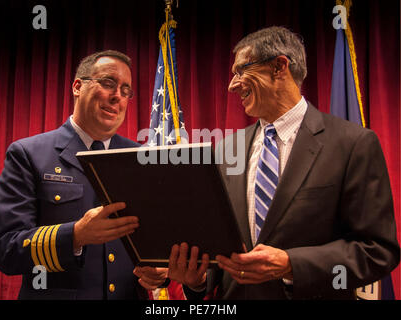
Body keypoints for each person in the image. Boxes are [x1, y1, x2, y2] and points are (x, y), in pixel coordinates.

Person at [167, 26, 400, 299]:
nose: (231, 85)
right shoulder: (224, 150)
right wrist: (198, 279)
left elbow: (377, 251)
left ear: (279, 66)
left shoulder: (353, 144)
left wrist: (292, 265)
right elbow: (221, 253)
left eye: (241, 71)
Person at [0, 50, 164, 299]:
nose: (118, 97)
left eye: (126, 91)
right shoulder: (27, 154)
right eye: (108, 83)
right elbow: (6, 251)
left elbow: (156, 240)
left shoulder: (141, 158)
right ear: (77, 87)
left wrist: (160, 270)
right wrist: (75, 236)